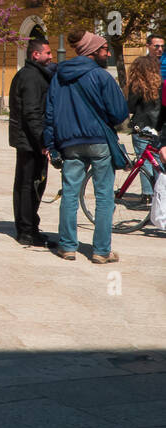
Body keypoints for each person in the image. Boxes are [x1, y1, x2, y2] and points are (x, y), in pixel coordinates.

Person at [43, 30, 129, 264]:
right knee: (104, 197)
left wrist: (50, 144)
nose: (107, 53)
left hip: (69, 143)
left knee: (70, 194)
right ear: (92, 51)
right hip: (99, 142)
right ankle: (101, 251)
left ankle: (67, 247)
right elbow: (120, 113)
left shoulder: (60, 76)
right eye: (104, 49)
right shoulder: (102, 77)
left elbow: (49, 112)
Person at [8, 37, 55, 248]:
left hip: (29, 140)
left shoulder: (34, 75)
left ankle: (30, 227)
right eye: (48, 53)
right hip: (29, 142)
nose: (51, 56)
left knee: (31, 184)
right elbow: (32, 113)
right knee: (29, 185)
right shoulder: (31, 78)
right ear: (36, 54)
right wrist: (43, 141)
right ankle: (26, 231)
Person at [124, 54, 162, 201]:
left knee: (143, 160)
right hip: (156, 127)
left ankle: (147, 194)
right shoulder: (160, 86)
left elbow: (131, 107)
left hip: (141, 126)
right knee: (158, 161)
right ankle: (160, 193)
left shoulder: (137, 86)